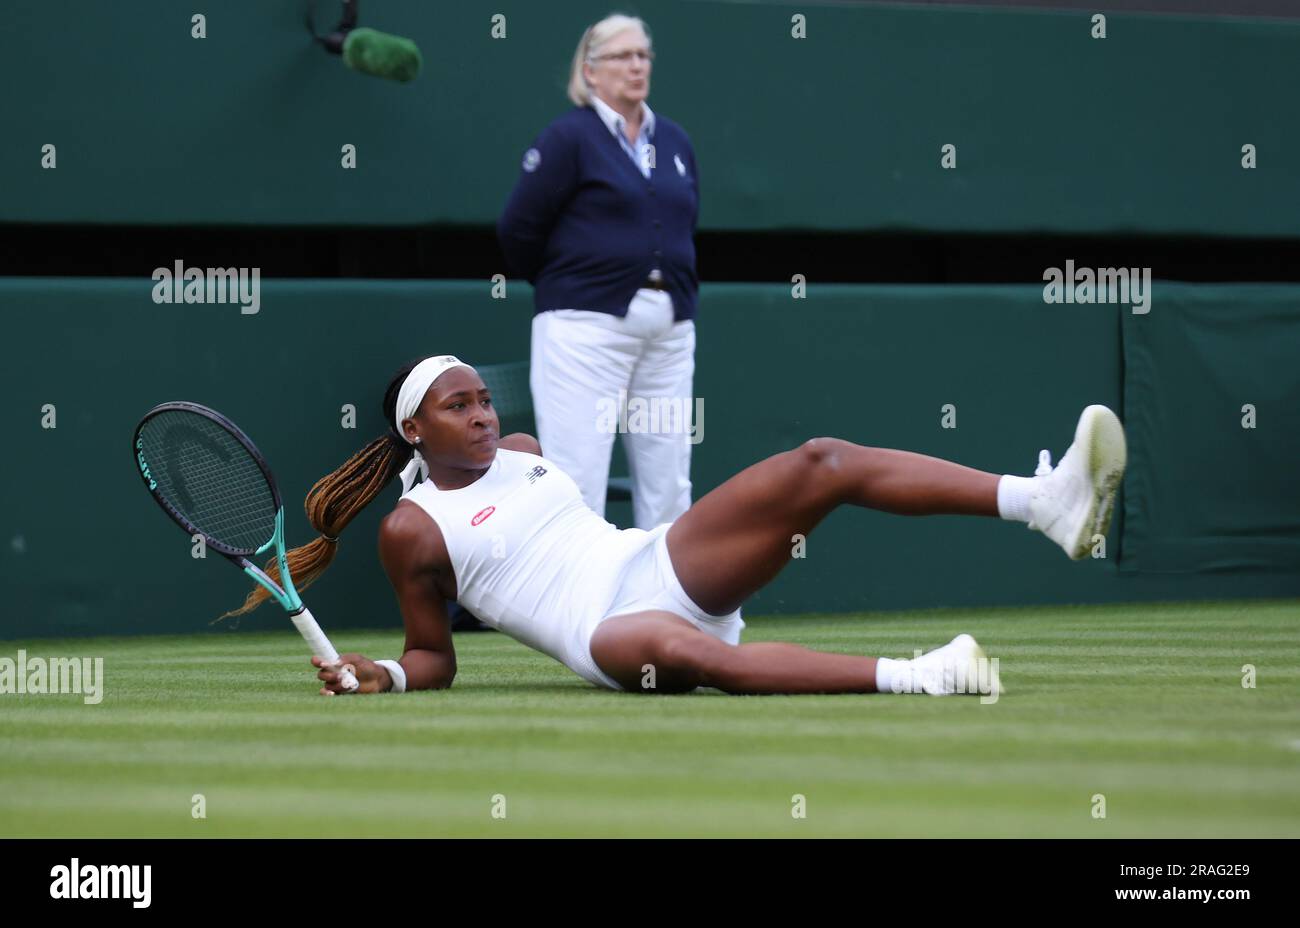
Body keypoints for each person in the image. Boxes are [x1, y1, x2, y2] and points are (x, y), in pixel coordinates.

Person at [228, 355, 1127, 698]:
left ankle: (1040, 502)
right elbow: (437, 659)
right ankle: (923, 677)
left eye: (483, 399)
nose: (483, 416)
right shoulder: (412, 531)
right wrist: (379, 671)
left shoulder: (528, 447)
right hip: (609, 636)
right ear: (414, 431)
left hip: (660, 562)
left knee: (823, 462)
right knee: (702, 658)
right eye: (457, 407)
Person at [497, 13, 701, 529]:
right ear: (590, 71)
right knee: (577, 476)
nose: (636, 66)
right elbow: (518, 229)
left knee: (669, 479)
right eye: (622, 56)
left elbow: (685, 220)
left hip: (668, 327)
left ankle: (668, 606)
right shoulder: (569, 137)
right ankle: (575, 609)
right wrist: (567, 287)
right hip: (583, 328)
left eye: (643, 55)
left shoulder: (673, 141)